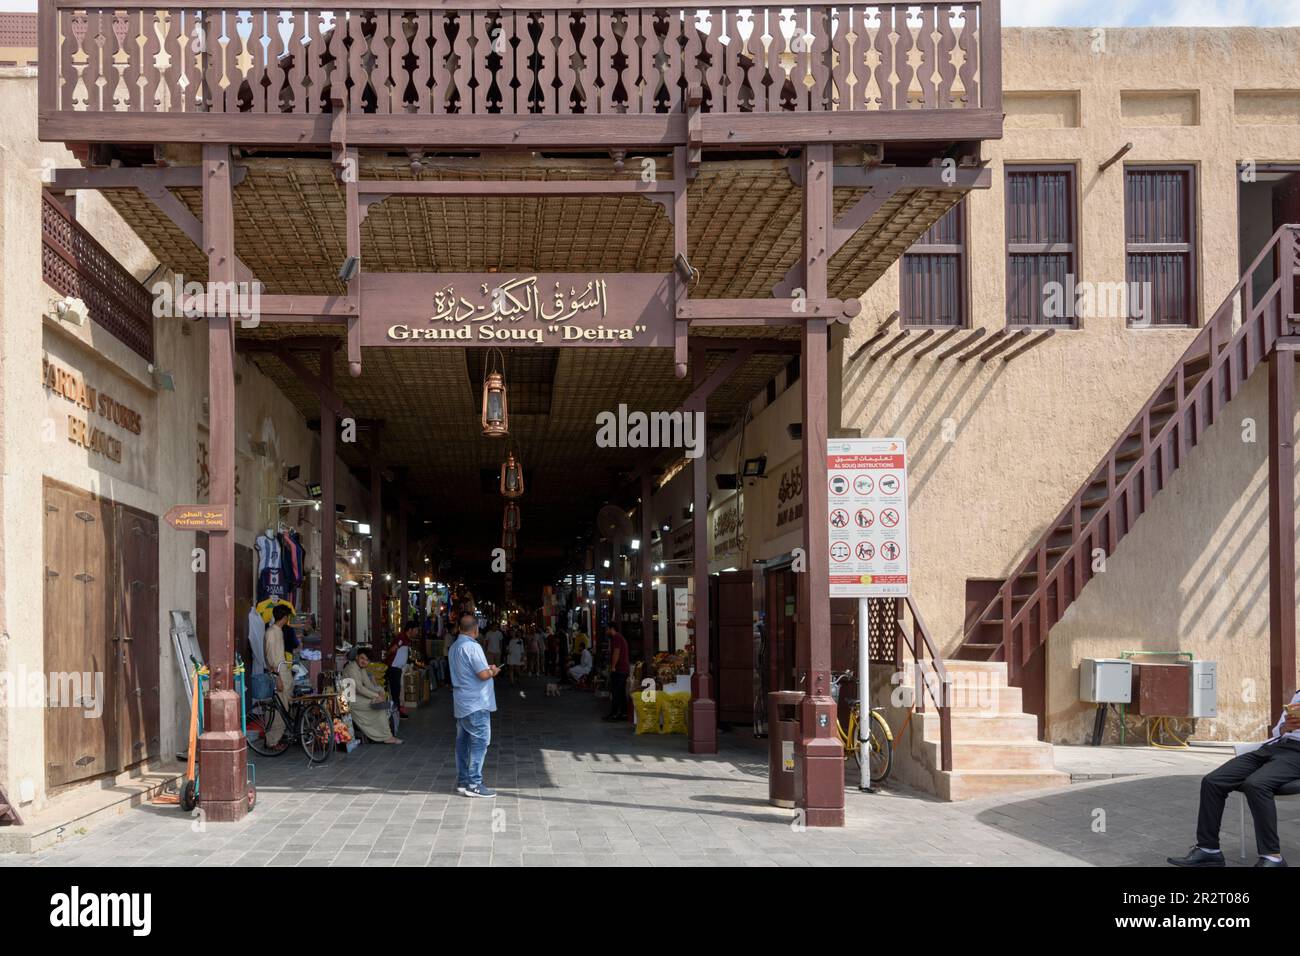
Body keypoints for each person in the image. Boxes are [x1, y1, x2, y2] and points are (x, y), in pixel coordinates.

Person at [1168, 689, 1300, 868]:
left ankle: (1272, 857)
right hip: (1278, 747)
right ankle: (1209, 850)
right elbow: (1279, 731)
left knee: (1256, 784)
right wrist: (1287, 726)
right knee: (1213, 781)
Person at [449, 612, 498, 798]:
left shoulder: (454, 646)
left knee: (463, 743)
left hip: (462, 702)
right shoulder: (472, 647)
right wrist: (492, 670)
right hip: (476, 703)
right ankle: (474, 783)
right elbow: (482, 674)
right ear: (476, 629)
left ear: (460, 628)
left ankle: (463, 780)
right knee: (480, 742)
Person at [342, 649, 402, 744]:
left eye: (367, 660)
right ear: (357, 657)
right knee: (379, 708)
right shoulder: (351, 668)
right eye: (362, 658)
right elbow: (359, 688)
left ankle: (384, 735)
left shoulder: (361, 668)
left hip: (357, 697)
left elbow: (368, 684)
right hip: (350, 700)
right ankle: (387, 737)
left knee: (380, 704)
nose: (364, 661)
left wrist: (380, 690)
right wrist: (376, 696)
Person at [263, 604, 293, 749]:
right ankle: (272, 740)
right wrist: (277, 677)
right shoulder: (271, 633)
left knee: (285, 707)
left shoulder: (278, 631)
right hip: (278, 673)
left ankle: (279, 736)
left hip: (283, 672)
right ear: (285, 617)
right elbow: (271, 658)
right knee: (278, 709)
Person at [386, 622, 417, 718]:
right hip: (393, 668)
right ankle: (396, 713)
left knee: (397, 690)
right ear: (410, 630)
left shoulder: (406, 639)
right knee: (395, 691)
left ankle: (397, 711)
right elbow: (392, 649)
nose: (416, 633)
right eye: (415, 630)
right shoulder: (401, 638)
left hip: (398, 668)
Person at [602, 626, 631, 721]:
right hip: (623, 669)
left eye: (607, 630)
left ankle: (614, 714)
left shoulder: (617, 638)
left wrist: (613, 667)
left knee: (616, 692)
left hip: (620, 669)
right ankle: (624, 713)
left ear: (611, 629)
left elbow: (616, 653)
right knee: (621, 692)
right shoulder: (618, 637)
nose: (606, 632)